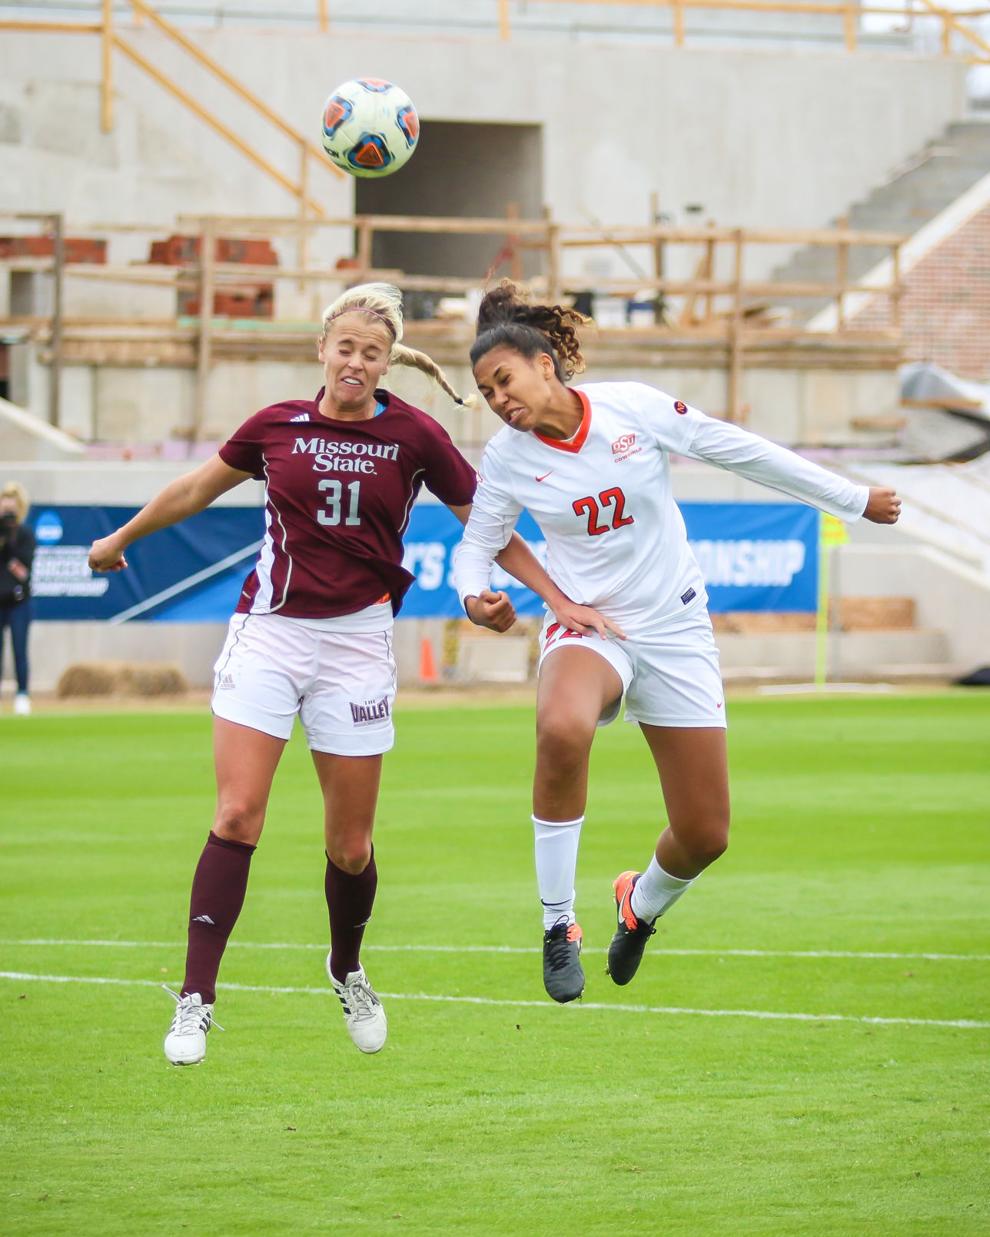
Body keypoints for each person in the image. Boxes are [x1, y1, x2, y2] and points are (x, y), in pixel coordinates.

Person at [88, 282, 604, 1065]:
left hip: (358, 645)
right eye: (345, 347)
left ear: (386, 360)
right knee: (236, 815)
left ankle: (346, 966)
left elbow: (489, 525)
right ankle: (196, 997)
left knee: (351, 847)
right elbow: (196, 488)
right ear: (322, 350)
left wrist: (553, 597)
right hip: (270, 634)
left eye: (371, 352)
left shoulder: (415, 435)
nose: (355, 362)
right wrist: (119, 537)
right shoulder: (276, 426)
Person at [452, 281, 902, 1005]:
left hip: (674, 626)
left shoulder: (634, 408)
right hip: (590, 628)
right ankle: (556, 921)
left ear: (545, 364)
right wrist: (476, 596)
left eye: (504, 379)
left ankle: (640, 904)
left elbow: (738, 450)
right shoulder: (506, 458)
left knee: (704, 833)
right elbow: (479, 542)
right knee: (560, 728)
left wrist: (850, 497)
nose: (499, 399)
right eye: (485, 390)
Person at [0, 481, 36, 717]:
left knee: (20, 650)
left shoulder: (25, 535)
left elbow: (24, 570)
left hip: (19, 602)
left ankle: (22, 694)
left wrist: (10, 544)